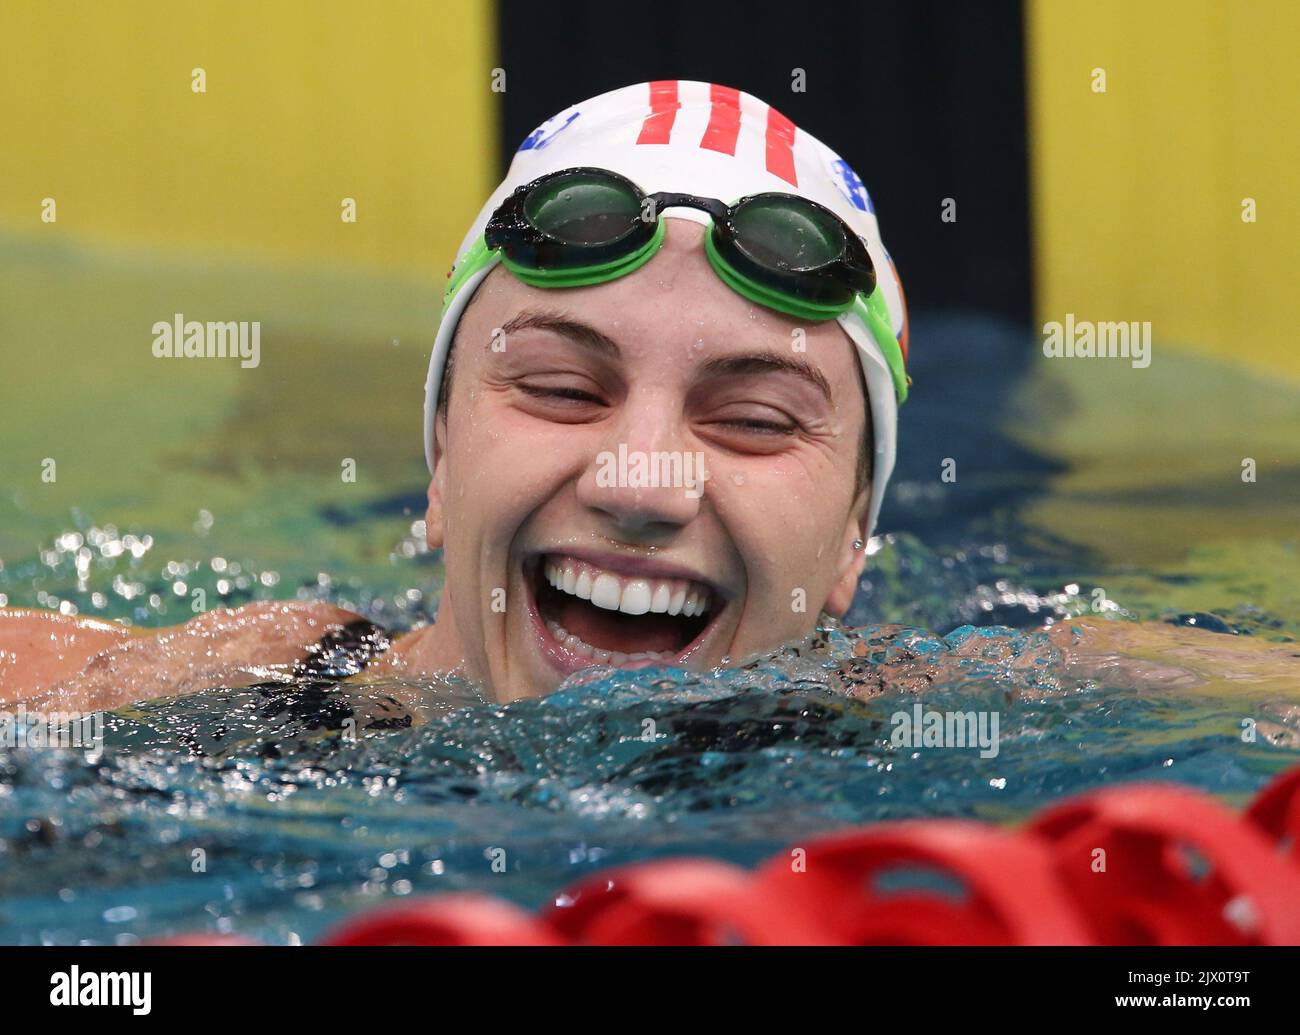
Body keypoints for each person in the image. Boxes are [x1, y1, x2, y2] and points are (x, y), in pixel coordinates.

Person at [0, 81, 1292, 713]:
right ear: (441, 466)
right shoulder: (220, 692)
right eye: (562, 388)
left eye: (754, 419)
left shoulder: (970, 705)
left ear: (854, 543)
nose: (639, 484)